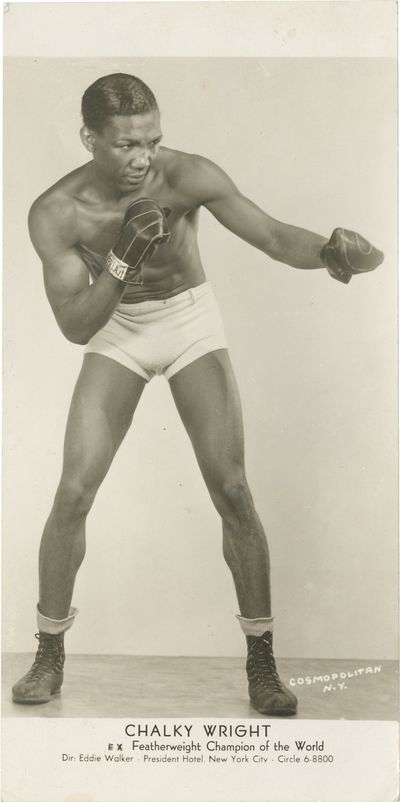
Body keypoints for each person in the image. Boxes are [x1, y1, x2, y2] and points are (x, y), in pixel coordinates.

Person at [12, 73, 383, 715]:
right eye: (126, 144)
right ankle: (48, 653)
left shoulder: (187, 175)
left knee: (232, 487)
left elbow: (272, 237)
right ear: (89, 139)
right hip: (115, 327)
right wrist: (122, 260)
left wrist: (332, 254)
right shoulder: (57, 212)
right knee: (73, 491)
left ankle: (262, 662)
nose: (143, 157)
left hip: (189, 320)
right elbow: (76, 326)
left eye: (152, 141)